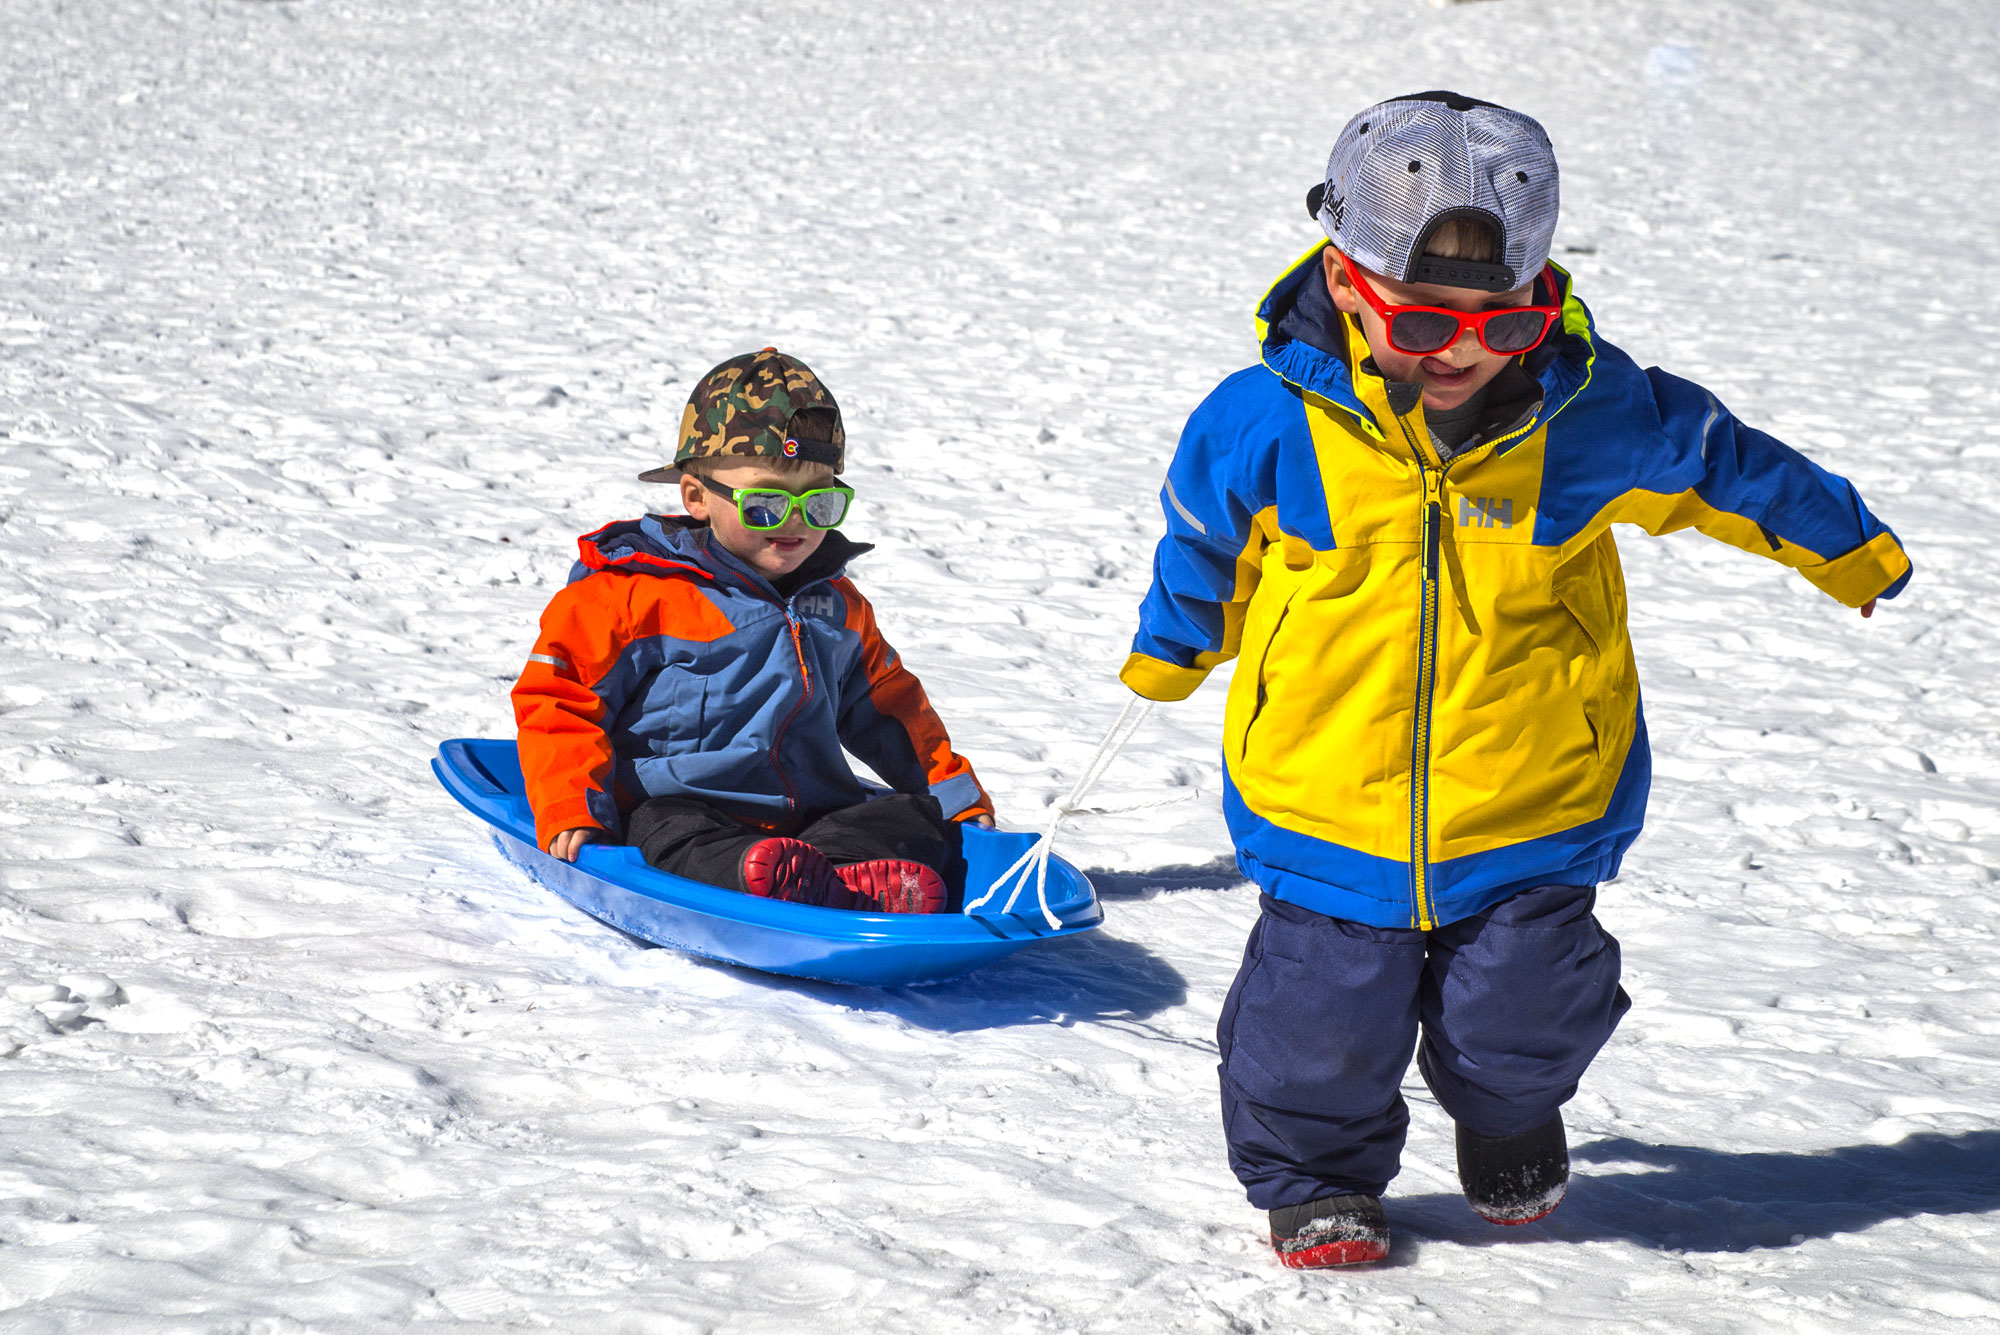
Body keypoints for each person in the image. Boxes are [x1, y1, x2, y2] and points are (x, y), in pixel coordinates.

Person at [1121, 91, 1911, 1267]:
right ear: (1343, 281)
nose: (1461, 351)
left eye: (1503, 323)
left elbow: (1720, 462)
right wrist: (1175, 646)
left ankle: (1507, 1113)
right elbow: (1201, 535)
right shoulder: (1264, 421)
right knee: (1314, 1028)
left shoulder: (1586, 413)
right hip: (1321, 794)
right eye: (1421, 323)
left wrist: (1843, 545)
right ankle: (1317, 1179)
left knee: (1524, 1014)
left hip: (1534, 796)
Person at [513, 348, 993, 914]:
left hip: (808, 819)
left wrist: (955, 800)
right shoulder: (629, 597)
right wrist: (572, 805)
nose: (795, 522)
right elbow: (559, 700)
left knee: (915, 819)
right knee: (667, 831)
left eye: (819, 502)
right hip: (682, 806)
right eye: (765, 503)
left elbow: (892, 709)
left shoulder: (837, 607)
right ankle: (758, 875)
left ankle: (833, 876)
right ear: (696, 498)